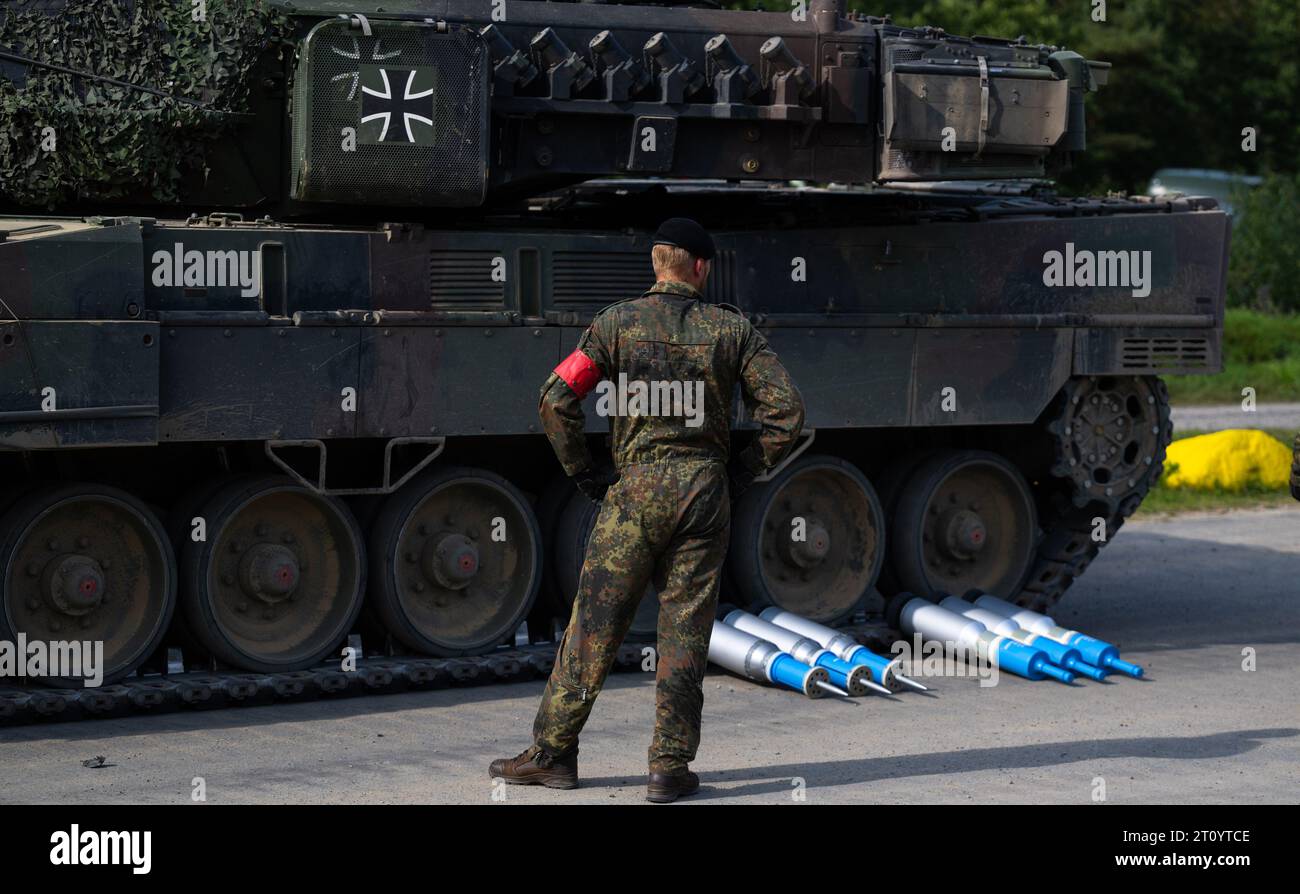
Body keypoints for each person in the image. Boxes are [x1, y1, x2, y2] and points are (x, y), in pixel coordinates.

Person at [488, 217, 805, 802]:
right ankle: (668, 768)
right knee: (685, 630)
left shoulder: (614, 324)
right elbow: (786, 413)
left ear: (657, 264)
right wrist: (735, 472)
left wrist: (587, 475)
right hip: (703, 498)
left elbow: (555, 401)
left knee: (593, 626)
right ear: (701, 268)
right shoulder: (731, 331)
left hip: (632, 494)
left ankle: (553, 755)